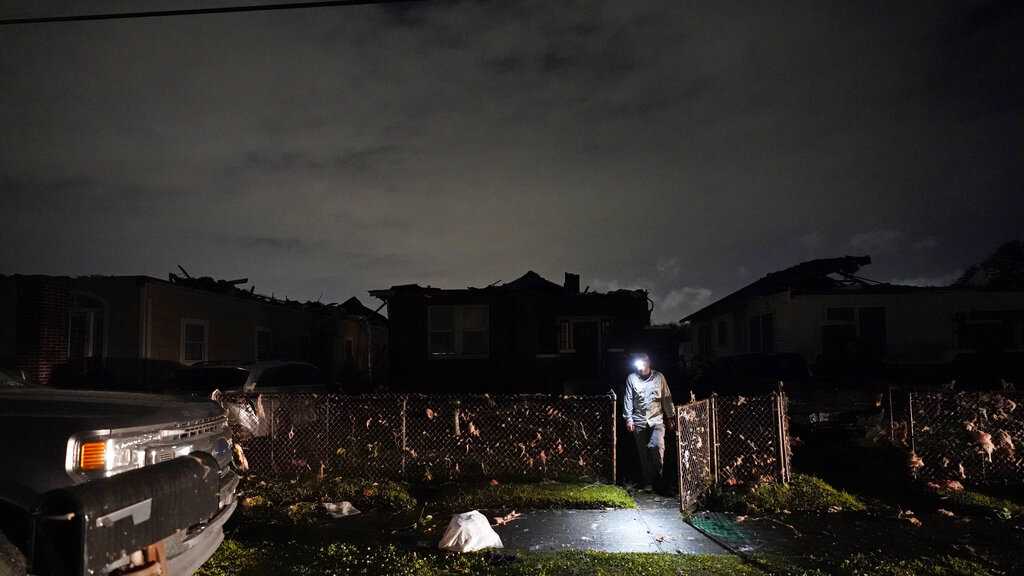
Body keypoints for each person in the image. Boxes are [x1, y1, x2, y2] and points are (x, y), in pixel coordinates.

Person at [623, 353, 674, 492]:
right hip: (639, 420)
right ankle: (648, 482)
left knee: (656, 447)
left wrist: (670, 417)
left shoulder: (659, 377)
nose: (639, 368)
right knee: (643, 453)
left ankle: (659, 479)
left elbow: (666, 397)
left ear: (648, 363)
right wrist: (628, 418)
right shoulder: (632, 378)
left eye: (642, 364)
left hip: (656, 419)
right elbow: (628, 398)